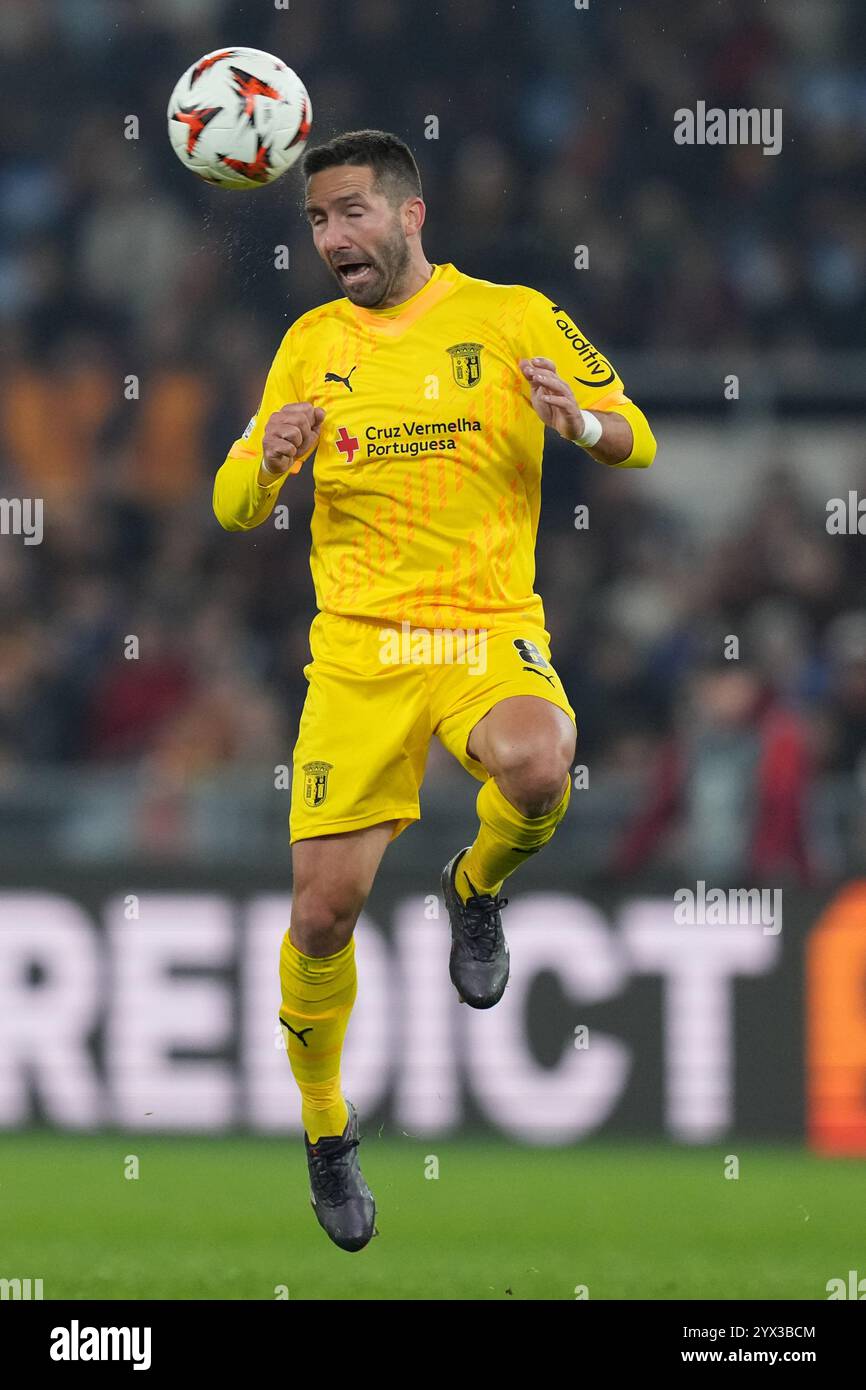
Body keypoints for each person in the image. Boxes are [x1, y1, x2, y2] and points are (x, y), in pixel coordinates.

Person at [213, 129, 656, 1251]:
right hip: (357, 654)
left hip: (480, 629)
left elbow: (634, 436)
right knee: (321, 915)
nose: (331, 238)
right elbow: (229, 503)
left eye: (351, 212)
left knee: (540, 759)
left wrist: (582, 422)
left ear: (411, 215)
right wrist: (269, 458)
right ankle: (325, 1131)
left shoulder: (511, 316)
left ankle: (475, 884)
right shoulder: (308, 344)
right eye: (316, 221)